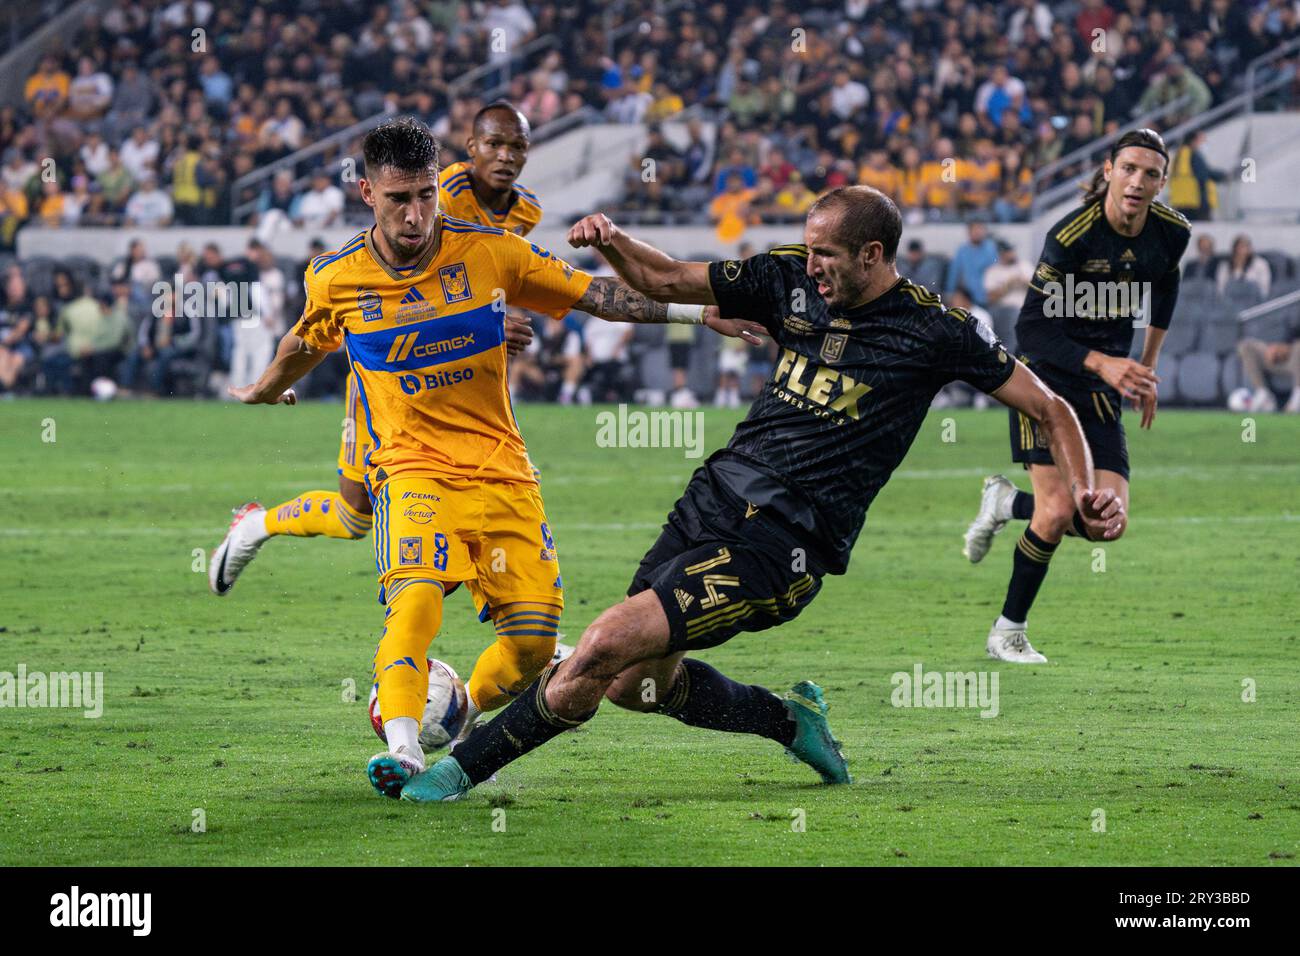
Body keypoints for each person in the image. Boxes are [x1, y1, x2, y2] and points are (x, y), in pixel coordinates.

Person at [395, 185, 1121, 803]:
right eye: (807, 251)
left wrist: (1084, 490)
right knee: (630, 686)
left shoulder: (937, 330)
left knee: (604, 644)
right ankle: (789, 720)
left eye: (826, 255)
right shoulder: (787, 280)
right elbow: (672, 278)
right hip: (712, 495)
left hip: (785, 544)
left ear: (873, 256)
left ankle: (456, 772)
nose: (812, 267)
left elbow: (1050, 407)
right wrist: (611, 241)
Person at [216, 117, 762, 796]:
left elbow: (593, 294)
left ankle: (465, 705)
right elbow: (307, 340)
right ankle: (406, 747)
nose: (415, 214)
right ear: (366, 193)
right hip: (410, 466)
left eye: (424, 196)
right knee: (412, 598)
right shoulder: (337, 276)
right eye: (397, 200)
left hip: (501, 470)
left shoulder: (494, 250)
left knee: (533, 647)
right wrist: (266, 389)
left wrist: (694, 314)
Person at [210, 105, 542, 597]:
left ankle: (516, 624)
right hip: (388, 379)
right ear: (471, 149)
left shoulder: (525, 210)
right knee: (354, 514)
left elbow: (480, 278)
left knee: (400, 520)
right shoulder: (439, 196)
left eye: (517, 147)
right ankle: (256, 526)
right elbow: (417, 279)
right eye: (495, 144)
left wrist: (491, 318)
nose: (506, 157)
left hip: (454, 379)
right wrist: (488, 322)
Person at [962, 129, 1189, 663]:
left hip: (1103, 386)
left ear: (1161, 184)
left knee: (1105, 522)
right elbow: (1030, 331)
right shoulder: (1072, 237)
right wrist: (1106, 362)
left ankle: (1004, 502)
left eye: (1150, 173)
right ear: (1109, 170)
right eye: (1128, 168)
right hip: (1045, 381)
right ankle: (1007, 633)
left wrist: (1146, 369)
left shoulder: (1170, 233)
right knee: (1060, 508)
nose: (1137, 180)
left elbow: (1167, 285)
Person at [1236, 323, 1300, 414]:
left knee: (1298, 346)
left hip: (1296, 358)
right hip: (1284, 354)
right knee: (1246, 346)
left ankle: (1298, 396)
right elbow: (1294, 330)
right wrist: (1280, 346)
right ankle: (1263, 393)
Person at [1215, 235, 1271, 300]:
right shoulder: (1225, 265)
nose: (1242, 250)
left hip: (1253, 300)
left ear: (1250, 249)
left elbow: (1264, 288)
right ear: (1234, 249)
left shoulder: (1260, 264)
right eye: (1239, 247)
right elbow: (1220, 289)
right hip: (1230, 302)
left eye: (1245, 247)